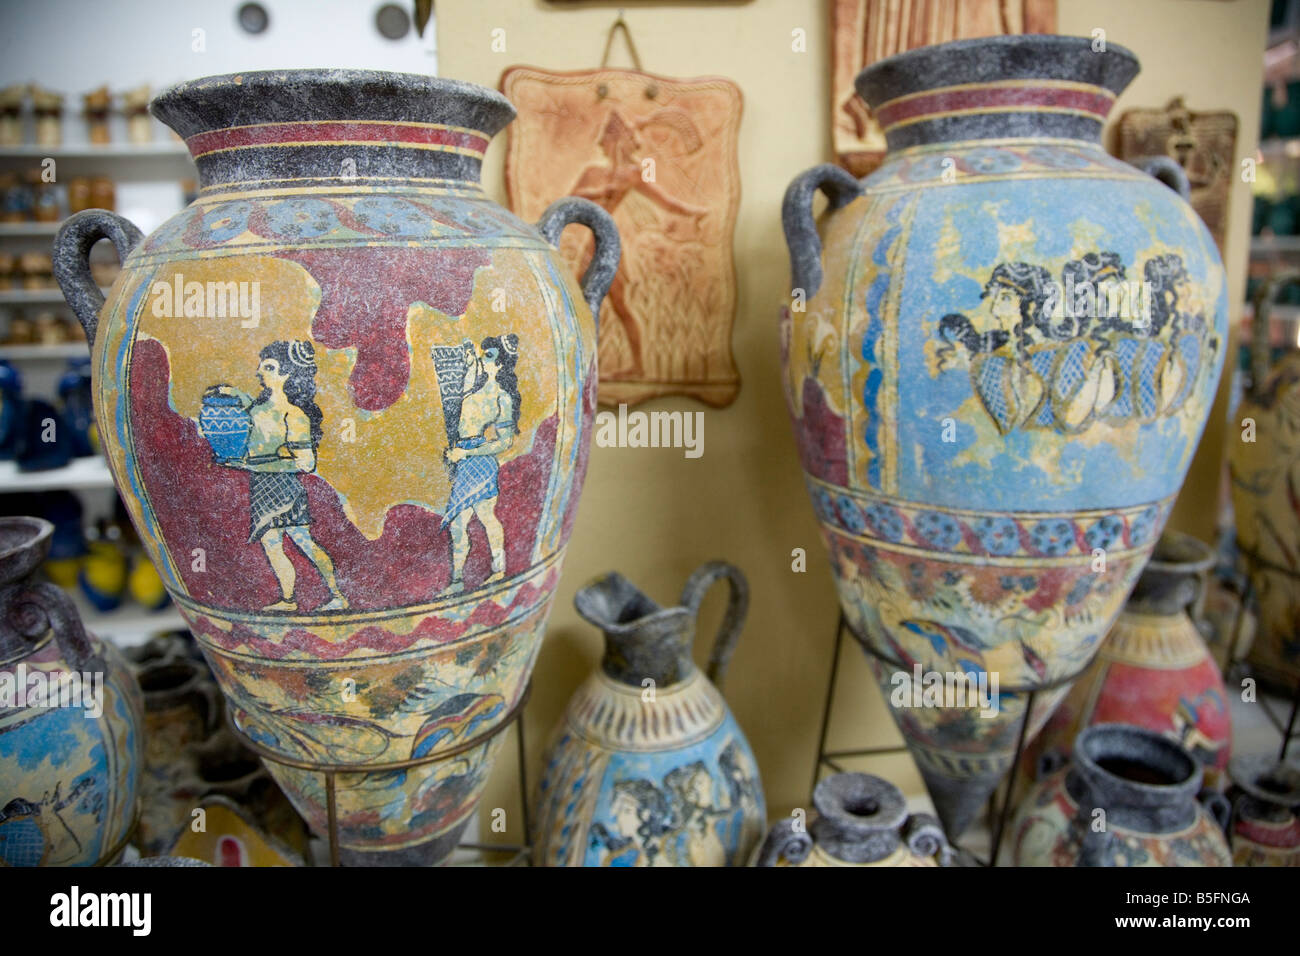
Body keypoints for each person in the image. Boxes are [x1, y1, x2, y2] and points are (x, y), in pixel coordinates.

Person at [210, 340, 346, 612]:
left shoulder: (294, 416)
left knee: (304, 542)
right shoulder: (255, 409)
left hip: (284, 489)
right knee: (272, 545)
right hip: (262, 486)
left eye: (269, 367)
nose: (260, 371)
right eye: (262, 365)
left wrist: (256, 465)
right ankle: (288, 600)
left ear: (287, 374)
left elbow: (306, 464)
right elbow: (250, 437)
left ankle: (337, 595)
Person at [441, 334, 521, 595]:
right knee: (457, 523)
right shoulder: (473, 387)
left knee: (486, 516)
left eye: (489, 355)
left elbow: (504, 442)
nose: (482, 358)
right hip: (463, 459)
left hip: (480, 462)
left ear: (500, 365)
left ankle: (498, 570)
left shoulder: (502, 398)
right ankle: (457, 581)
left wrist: (466, 454)